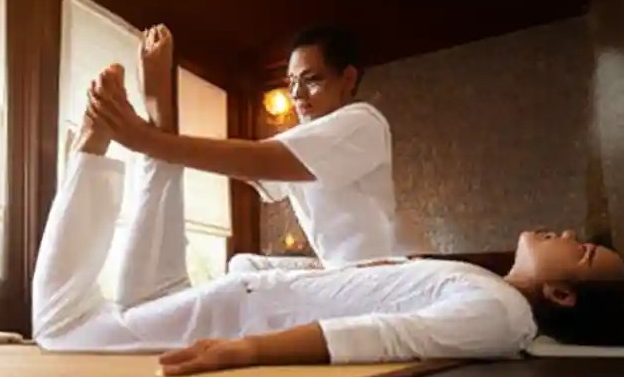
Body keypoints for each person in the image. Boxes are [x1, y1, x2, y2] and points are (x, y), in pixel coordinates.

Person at [35, 63, 624, 377]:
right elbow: (355, 281)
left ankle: (97, 154)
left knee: (63, 332)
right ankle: (132, 135)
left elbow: (376, 334)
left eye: (582, 254)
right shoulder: (480, 285)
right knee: (135, 299)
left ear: (559, 294)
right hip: (242, 292)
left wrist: (246, 351)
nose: (569, 235)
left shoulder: (504, 316)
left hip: (238, 315)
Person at [88, 24, 398, 272]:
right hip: (337, 273)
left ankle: (161, 119)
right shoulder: (305, 139)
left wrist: (147, 140)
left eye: (311, 79)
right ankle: (162, 117)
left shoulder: (364, 122)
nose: (297, 94)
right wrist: (161, 137)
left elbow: (260, 160)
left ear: (347, 78)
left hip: (375, 275)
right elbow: (245, 164)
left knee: (244, 280)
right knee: (243, 266)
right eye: (291, 82)